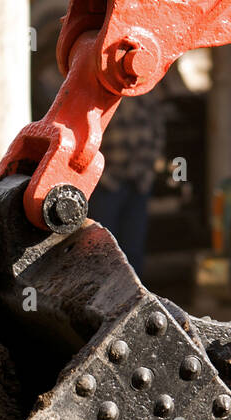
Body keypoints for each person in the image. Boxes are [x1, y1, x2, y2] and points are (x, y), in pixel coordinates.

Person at [88, 87, 166, 280]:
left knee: (133, 248)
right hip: (108, 183)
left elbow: (157, 130)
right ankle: (101, 297)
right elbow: (87, 136)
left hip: (139, 182)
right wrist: (101, 175)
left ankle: (131, 299)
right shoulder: (101, 93)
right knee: (102, 247)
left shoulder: (146, 93)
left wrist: (148, 170)